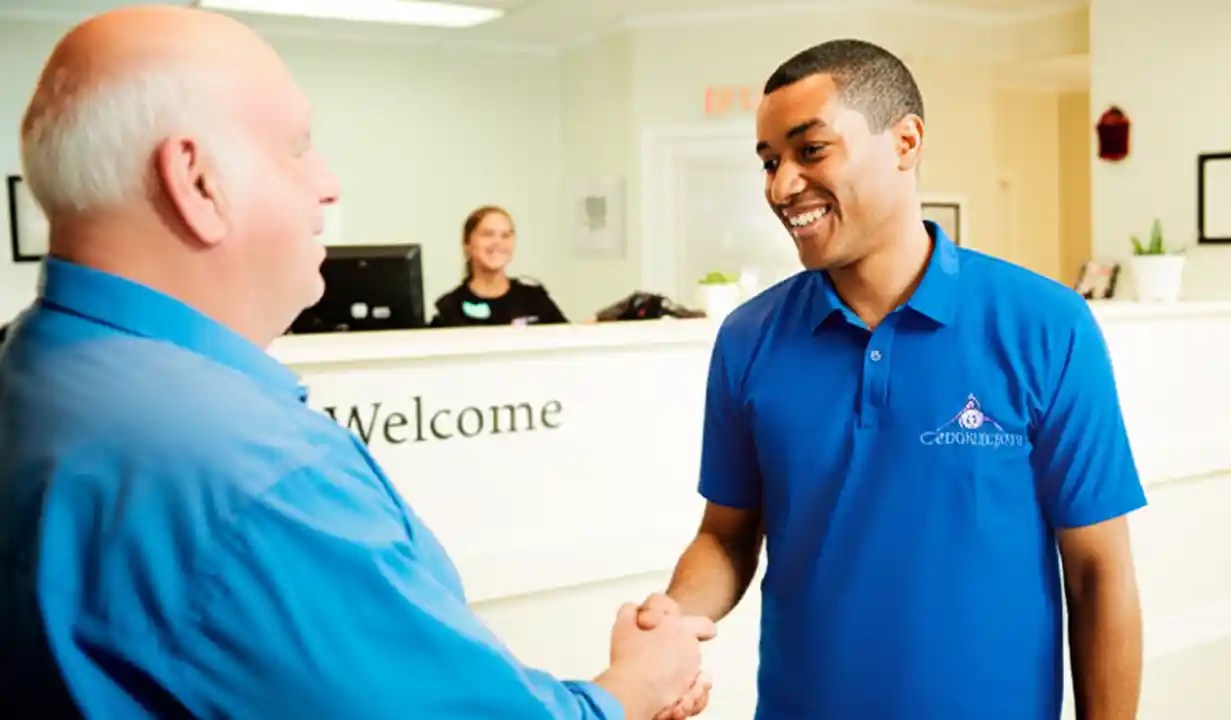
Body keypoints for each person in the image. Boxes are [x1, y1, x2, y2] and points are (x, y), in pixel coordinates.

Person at [0, 7, 713, 719]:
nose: (329, 183)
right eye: (298, 146)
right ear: (198, 179)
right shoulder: (257, 477)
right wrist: (633, 689)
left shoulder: (31, 370)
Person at [635, 39, 1147, 719]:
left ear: (905, 141)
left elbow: (1098, 573)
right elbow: (727, 535)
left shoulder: (1046, 325)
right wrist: (674, 623)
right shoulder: (748, 338)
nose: (781, 186)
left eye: (809, 150)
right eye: (768, 162)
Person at [428, 205, 569, 327]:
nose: (497, 242)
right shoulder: (450, 308)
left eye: (506, 235)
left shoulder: (535, 299)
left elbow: (569, 343)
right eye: (488, 234)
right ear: (467, 244)